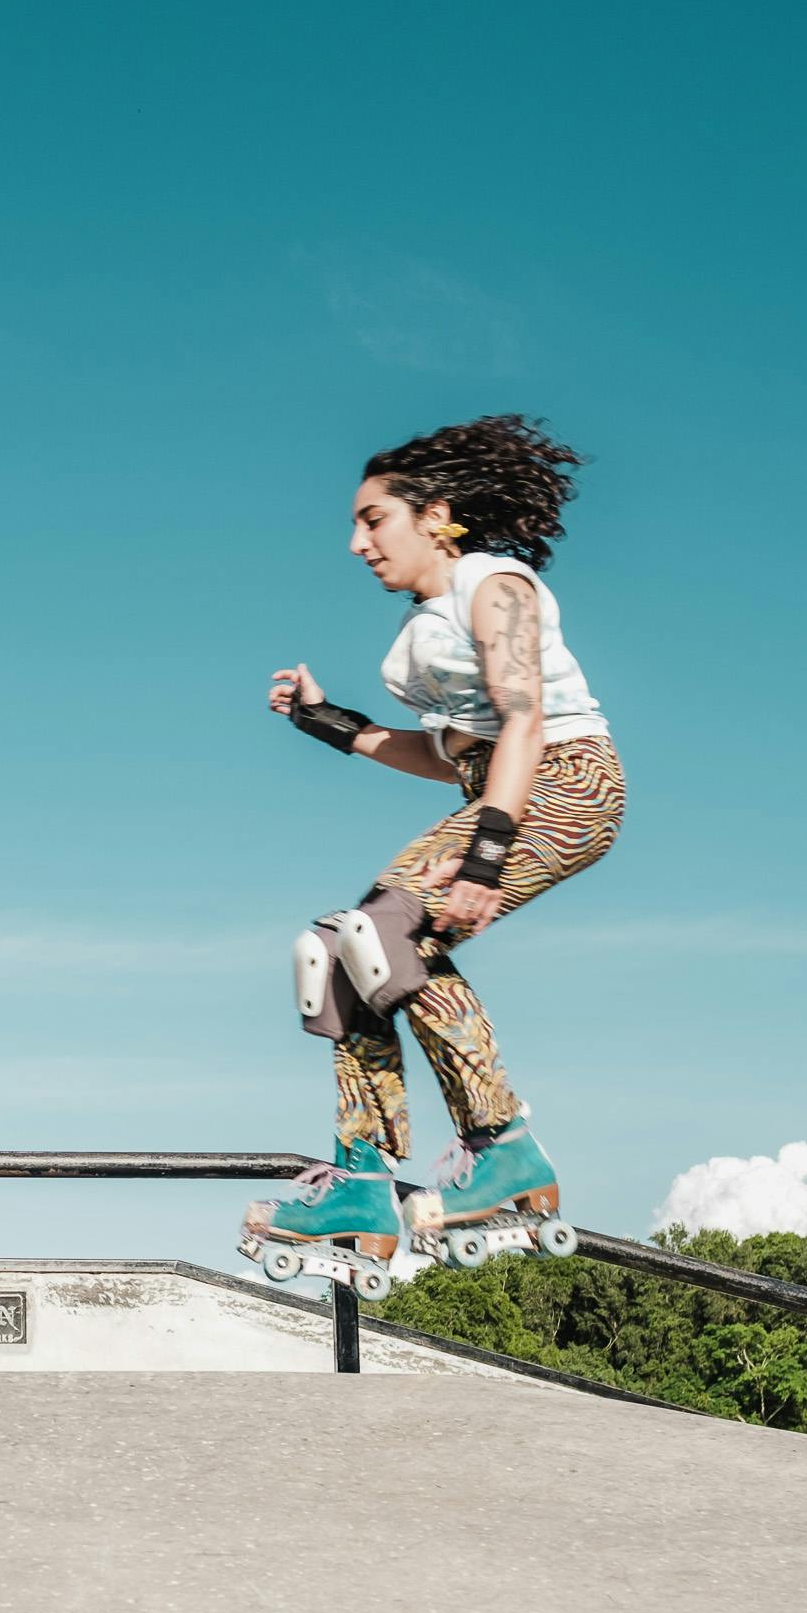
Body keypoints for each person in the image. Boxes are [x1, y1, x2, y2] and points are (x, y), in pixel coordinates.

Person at [245, 412, 623, 1270]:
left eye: (373, 519)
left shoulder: (495, 586)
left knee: (384, 931)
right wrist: (330, 724)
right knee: (338, 948)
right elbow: (445, 753)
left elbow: (524, 721)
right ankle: (363, 1179)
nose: (356, 542)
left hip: (569, 781)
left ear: (437, 516)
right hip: (498, 783)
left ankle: (503, 1149)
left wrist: (488, 853)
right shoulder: (420, 633)